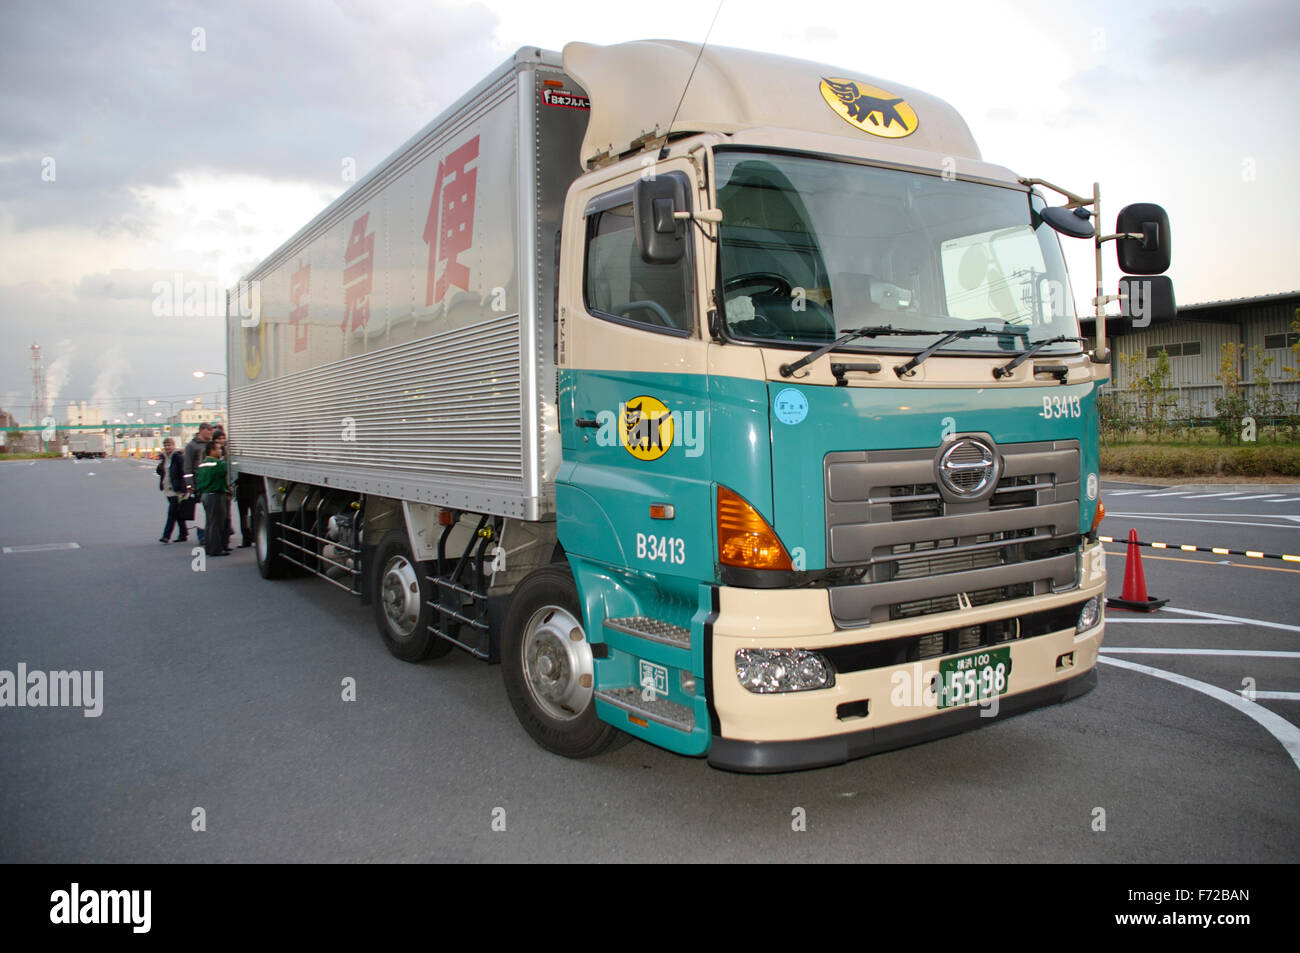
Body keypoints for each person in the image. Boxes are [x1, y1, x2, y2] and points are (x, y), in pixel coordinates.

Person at [195, 440, 232, 557]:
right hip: (215, 495)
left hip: (205, 495)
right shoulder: (217, 464)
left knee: (210, 523)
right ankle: (216, 549)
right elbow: (226, 469)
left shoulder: (202, 464)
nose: (220, 451)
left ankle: (209, 547)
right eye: (218, 449)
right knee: (217, 523)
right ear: (212, 450)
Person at [184, 423, 213, 544]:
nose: (211, 433)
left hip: (211, 481)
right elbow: (187, 466)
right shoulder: (192, 446)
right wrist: (189, 485)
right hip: (199, 483)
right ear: (201, 431)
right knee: (201, 510)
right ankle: (202, 536)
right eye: (209, 430)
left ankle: (211, 534)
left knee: (212, 510)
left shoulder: (211, 445)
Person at [156, 438, 188, 542]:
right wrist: (160, 465)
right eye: (165, 446)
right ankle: (183, 533)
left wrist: (184, 490)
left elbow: (183, 473)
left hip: (176, 489)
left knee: (171, 513)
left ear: (173, 445)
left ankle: (166, 535)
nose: (167, 447)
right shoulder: (164, 457)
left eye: (169, 445)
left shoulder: (178, 457)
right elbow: (160, 472)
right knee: (177, 513)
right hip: (167, 488)